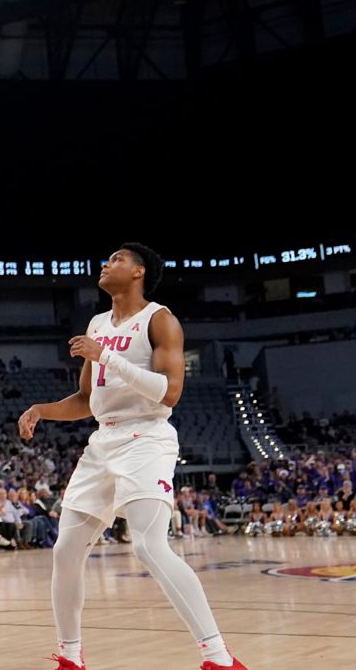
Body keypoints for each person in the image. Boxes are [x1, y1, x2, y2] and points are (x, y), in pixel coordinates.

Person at [19, 244, 249, 670]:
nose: (106, 264)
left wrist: (105, 355)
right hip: (103, 440)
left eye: (116, 259)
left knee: (148, 545)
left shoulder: (159, 320)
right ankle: (70, 657)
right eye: (106, 259)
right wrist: (41, 410)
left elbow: (170, 392)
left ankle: (218, 656)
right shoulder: (96, 323)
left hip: (147, 437)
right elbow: (88, 399)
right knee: (65, 550)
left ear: (139, 271)